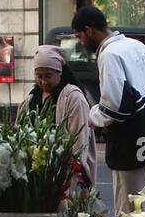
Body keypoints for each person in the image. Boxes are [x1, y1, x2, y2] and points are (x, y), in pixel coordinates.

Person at [71, 5, 145, 217]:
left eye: (80, 36)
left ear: (89, 30)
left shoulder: (109, 54)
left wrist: (93, 117)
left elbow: (112, 105)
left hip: (132, 137)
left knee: (130, 206)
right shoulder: (135, 45)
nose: (81, 42)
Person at [24, 44, 97, 188]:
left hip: (64, 172)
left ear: (60, 73)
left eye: (48, 76)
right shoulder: (31, 98)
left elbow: (78, 139)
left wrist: (71, 168)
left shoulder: (73, 97)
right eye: (39, 76)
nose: (43, 82)